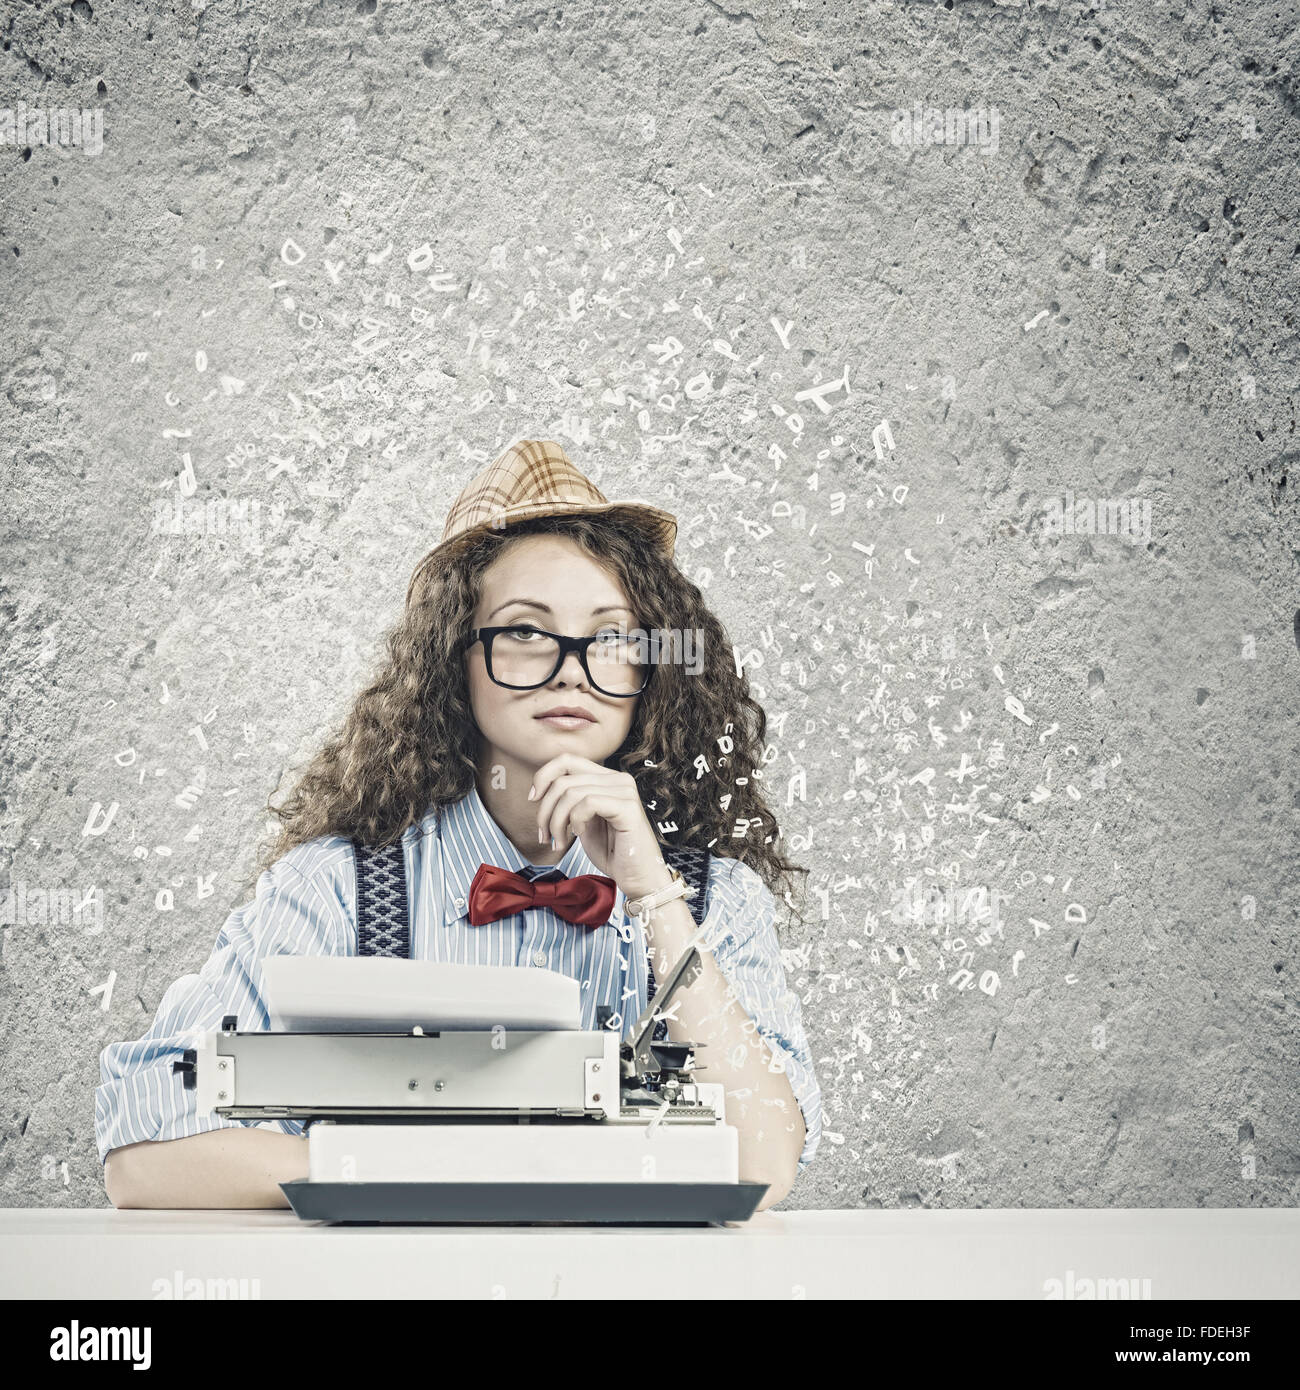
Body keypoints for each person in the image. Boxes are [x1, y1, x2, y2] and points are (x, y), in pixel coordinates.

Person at [98, 439, 822, 1212]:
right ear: (456, 659)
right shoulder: (339, 888)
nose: (571, 668)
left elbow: (763, 1166)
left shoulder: (712, 901)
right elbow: (145, 1155)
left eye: (611, 637)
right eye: (524, 631)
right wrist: (409, 1166)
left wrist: (653, 899)